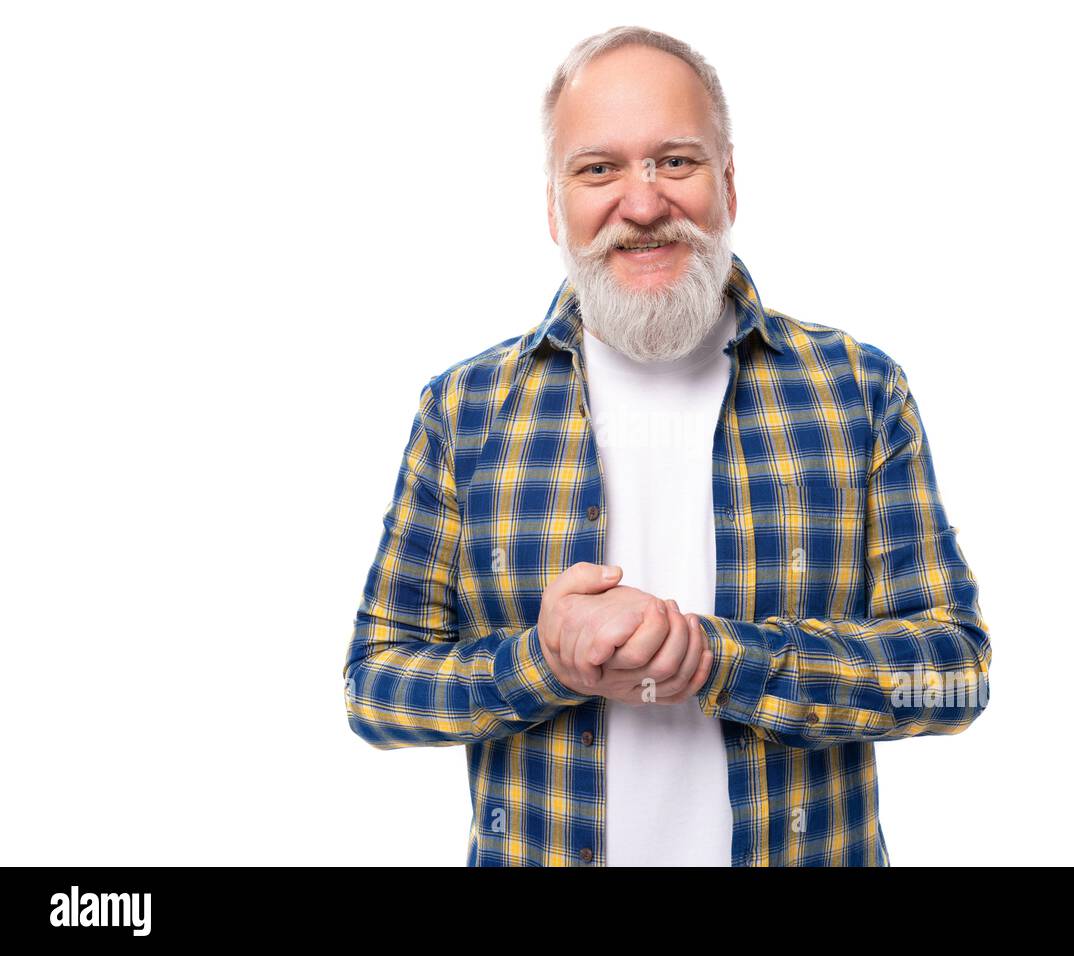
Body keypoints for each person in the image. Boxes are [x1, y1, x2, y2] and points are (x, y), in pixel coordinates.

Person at [343, 25, 991, 866]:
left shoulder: (858, 391)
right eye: (598, 168)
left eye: (675, 162)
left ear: (728, 182)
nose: (642, 205)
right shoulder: (463, 411)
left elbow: (953, 673)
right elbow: (373, 686)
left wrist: (725, 659)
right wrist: (539, 663)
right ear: (552, 204)